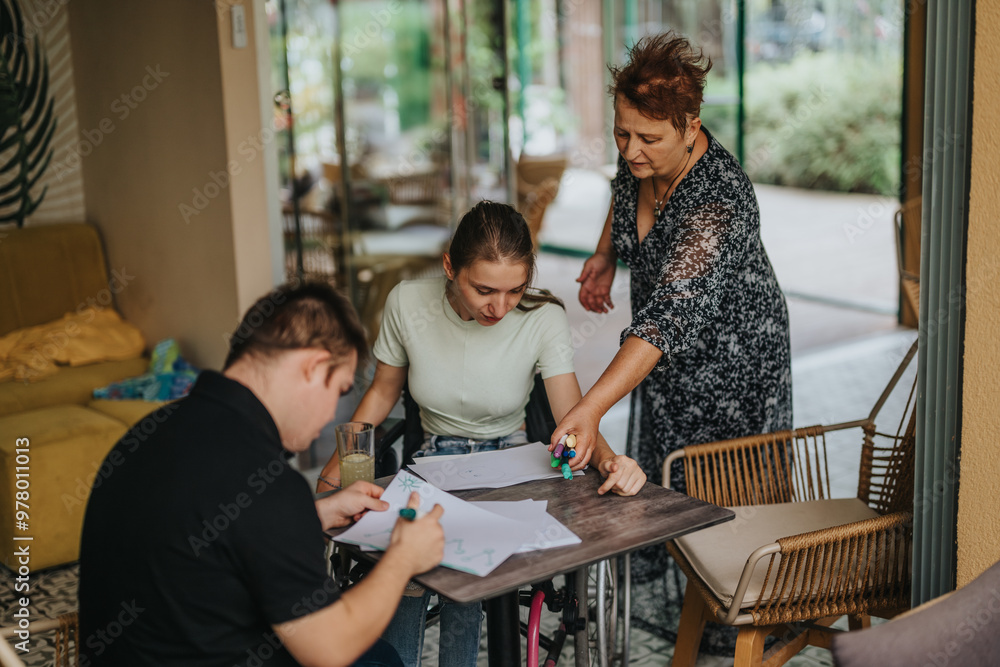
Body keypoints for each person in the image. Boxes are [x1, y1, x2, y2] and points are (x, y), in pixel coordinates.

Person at [316, 200, 646, 667]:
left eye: (515, 291)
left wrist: (609, 460)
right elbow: (382, 393)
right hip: (436, 461)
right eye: (484, 289)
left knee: (469, 573)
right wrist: (336, 465)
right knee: (405, 566)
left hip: (516, 463)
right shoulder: (407, 302)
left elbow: (574, 416)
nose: (500, 307)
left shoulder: (542, 317)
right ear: (450, 265)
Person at [551, 33, 792, 651]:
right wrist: (605, 254)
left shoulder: (717, 201)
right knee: (666, 463)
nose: (630, 150)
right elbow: (622, 185)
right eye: (620, 132)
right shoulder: (642, 158)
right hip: (667, 355)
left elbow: (662, 321)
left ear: (691, 127)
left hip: (735, 359)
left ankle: (732, 620)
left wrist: (589, 406)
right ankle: (680, 598)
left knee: (721, 480)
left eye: (647, 138)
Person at [79, 282, 446, 667]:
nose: (327, 420)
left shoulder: (147, 432)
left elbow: (203, 532)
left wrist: (312, 513)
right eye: (337, 392)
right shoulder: (265, 482)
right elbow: (331, 648)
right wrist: (404, 558)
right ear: (314, 366)